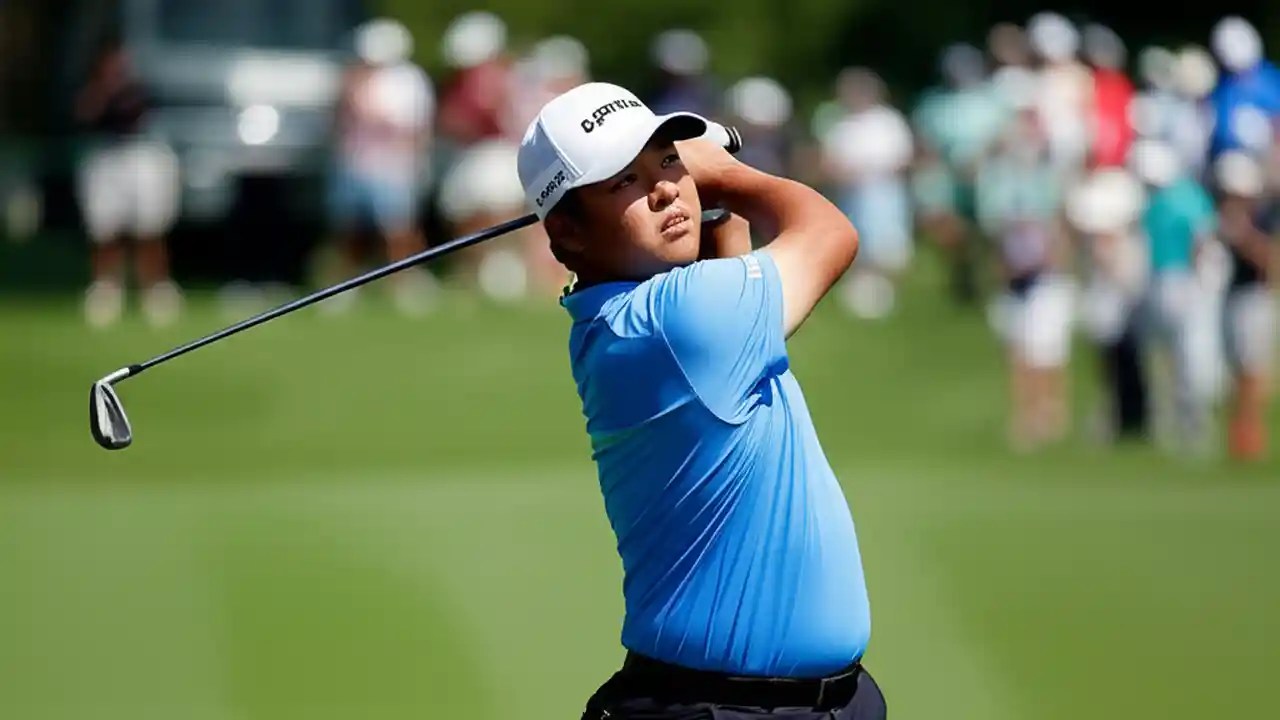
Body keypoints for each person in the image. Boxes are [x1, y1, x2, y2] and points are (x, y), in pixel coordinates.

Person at [515, 81, 882, 719]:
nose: (664, 188)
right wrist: (727, 173)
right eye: (622, 182)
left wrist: (710, 208)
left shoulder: (639, 319)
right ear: (566, 233)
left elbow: (730, 265)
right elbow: (831, 232)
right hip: (719, 708)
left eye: (666, 160)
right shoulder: (673, 322)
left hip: (812, 703)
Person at [325, 18, 435, 316]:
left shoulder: (408, 81)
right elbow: (341, 119)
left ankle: (405, 284)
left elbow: (413, 128)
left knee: (398, 231)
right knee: (349, 231)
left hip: (392, 168)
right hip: (355, 164)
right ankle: (342, 288)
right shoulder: (353, 77)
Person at [75, 39, 182, 328]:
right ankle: (106, 290)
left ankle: (155, 289)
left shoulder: (140, 88)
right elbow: (83, 115)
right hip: (107, 156)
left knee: (149, 227)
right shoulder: (96, 91)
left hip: (141, 154)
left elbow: (144, 114)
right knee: (105, 228)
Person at [820, 67, 915, 319]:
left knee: (888, 248)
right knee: (857, 246)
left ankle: (889, 296)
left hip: (884, 194)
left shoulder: (888, 121)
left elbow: (903, 158)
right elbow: (829, 162)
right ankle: (863, 299)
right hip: (851, 194)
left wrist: (875, 171)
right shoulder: (839, 123)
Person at [1214, 150, 1277, 460]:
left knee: (1252, 371)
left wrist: (1245, 237)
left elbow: (1271, 262)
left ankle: (1252, 436)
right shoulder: (1220, 218)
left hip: (1254, 298)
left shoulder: (1264, 218)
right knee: (1233, 371)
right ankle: (1237, 436)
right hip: (1229, 297)